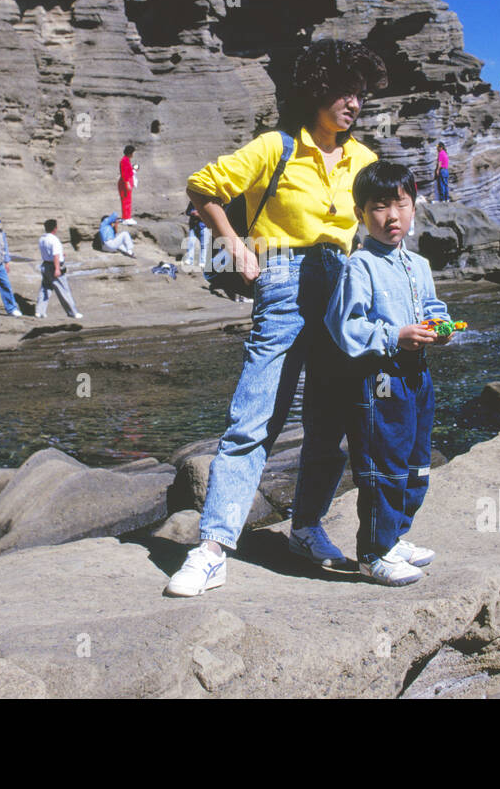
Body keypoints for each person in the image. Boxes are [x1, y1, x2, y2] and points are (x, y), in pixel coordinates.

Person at [165, 38, 387, 597]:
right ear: (314, 91)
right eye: (341, 91)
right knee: (253, 418)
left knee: (329, 424)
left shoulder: (364, 160)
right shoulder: (276, 147)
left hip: (341, 290)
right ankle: (212, 548)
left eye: (358, 93)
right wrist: (235, 246)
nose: (352, 103)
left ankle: (306, 528)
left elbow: (381, 223)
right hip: (283, 283)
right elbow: (203, 186)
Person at [326, 161, 451, 585]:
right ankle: (373, 553)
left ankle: (395, 537)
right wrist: (395, 335)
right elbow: (345, 327)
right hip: (379, 378)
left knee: (416, 463)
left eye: (401, 204)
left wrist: (442, 327)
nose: (392, 216)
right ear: (362, 213)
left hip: (418, 376)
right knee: (384, 464)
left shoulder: (418, 264)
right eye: (379, 207)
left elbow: (432, 309)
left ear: (414, 207)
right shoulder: (360, 265)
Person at [36, 219, 82, 319]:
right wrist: (57, 269)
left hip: (45, 265)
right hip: (54, 266)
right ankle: (72, 312)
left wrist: (61, 254)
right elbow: (55, 255)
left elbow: (50, 252)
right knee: (63, 290)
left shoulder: (42, 238)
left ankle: (39, 311)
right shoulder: (54, 239)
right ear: (55, 228)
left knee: (45, 289)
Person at [182, 203, 209, 267]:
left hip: (204, 226)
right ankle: (189, 259)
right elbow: (187, 212)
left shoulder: (206, 202)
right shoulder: (192, 202)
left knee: (204, 245)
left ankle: (203, 261)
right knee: (191, 243)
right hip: (193, 225)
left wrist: (199, 214)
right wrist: (192, 212)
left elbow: (209, 214)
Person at [119, 145, 138, 225]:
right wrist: (127, 183)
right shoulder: (124, 160)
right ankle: (126, 218)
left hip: (127, 181)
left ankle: (127, 217)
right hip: (125, 182)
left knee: (128, 200)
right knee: (126, 200)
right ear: (130, 153)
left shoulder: (127, 160)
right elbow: (124, 173)